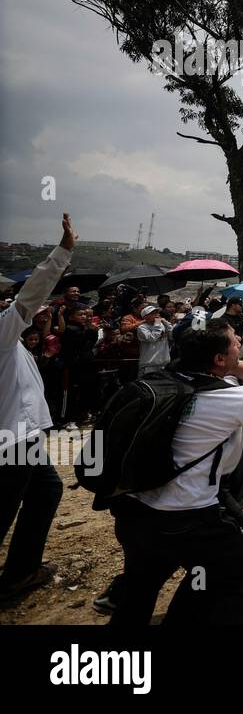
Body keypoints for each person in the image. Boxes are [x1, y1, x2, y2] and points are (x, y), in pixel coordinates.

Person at [109, 319, 243, 626]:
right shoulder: (233, 398)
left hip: (136, 510)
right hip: (188, 514)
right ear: (219, 359)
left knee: (141, 588)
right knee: (239, 572)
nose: (241, 344)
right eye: (236, 342)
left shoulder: (174, 374)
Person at [0, 215, 76, 607]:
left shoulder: (7, 336)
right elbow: (29, 297)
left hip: (22, 435)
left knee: (46, 489)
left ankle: (20, 570)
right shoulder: (1, 330)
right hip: (11, 439)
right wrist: (63, 251)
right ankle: (15, 576)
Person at [135, 305, 172, 373]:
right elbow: (152, 338)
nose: (156, 315)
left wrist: (166, 323)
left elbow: (172, 334)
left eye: (157, 313)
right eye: (152, 313)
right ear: (145, 316)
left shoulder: (160, 325)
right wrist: (158, 324)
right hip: (149, 365)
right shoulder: (142, 328)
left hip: (164, 363)